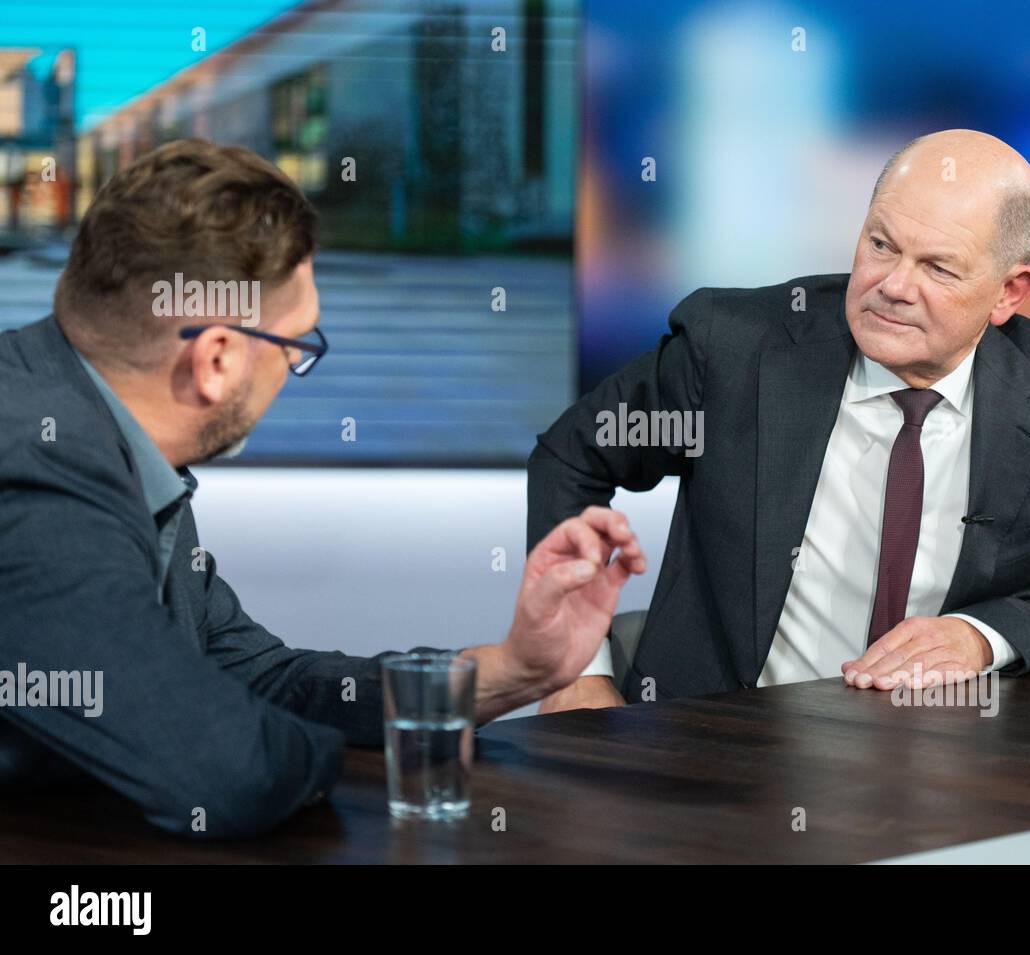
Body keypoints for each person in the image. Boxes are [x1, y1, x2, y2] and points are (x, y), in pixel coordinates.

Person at [0, 138, 646, 838]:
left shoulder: (107, 431)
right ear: (216, 358)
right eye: (295, 347)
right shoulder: (39, 468)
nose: (294, 368)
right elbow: (227, 767)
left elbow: (264, 679)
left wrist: (514, 668)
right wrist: (345, 757)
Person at [528, 129, 1030, 712]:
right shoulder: (733, 351)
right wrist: (576, 671)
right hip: (716, 753)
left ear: (1008, 293)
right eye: (881, 244)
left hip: (945, 762)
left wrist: (977, 637)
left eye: (938, 268)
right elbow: (571, 459)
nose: (893, 287)